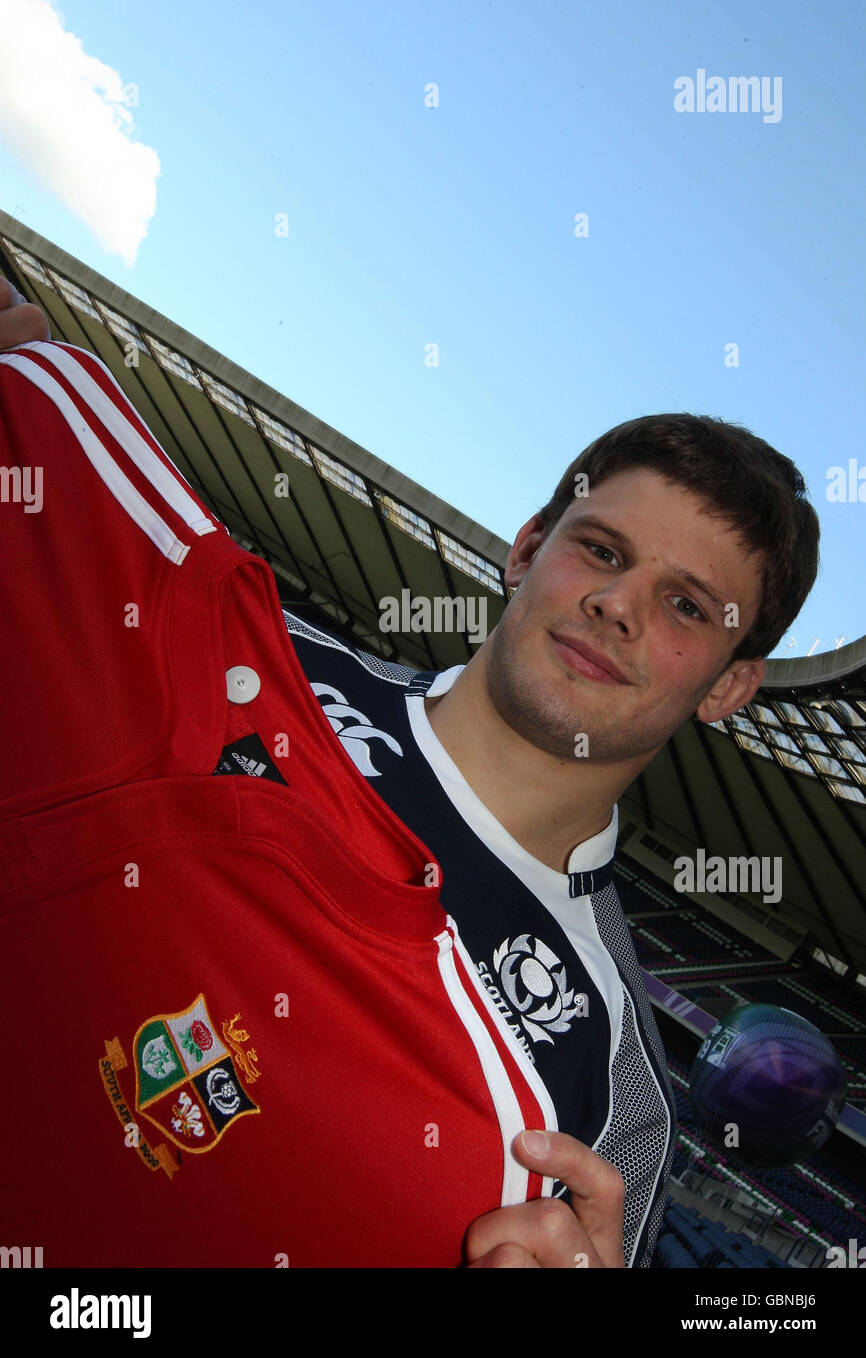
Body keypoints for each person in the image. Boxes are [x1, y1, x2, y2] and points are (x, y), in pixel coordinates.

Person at [0, 277, 819, 1268]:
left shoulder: (607, 1094)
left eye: (686, 606)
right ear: (525, 550)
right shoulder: (233, 651)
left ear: (730, 686)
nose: (614, 604)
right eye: (598, 550)